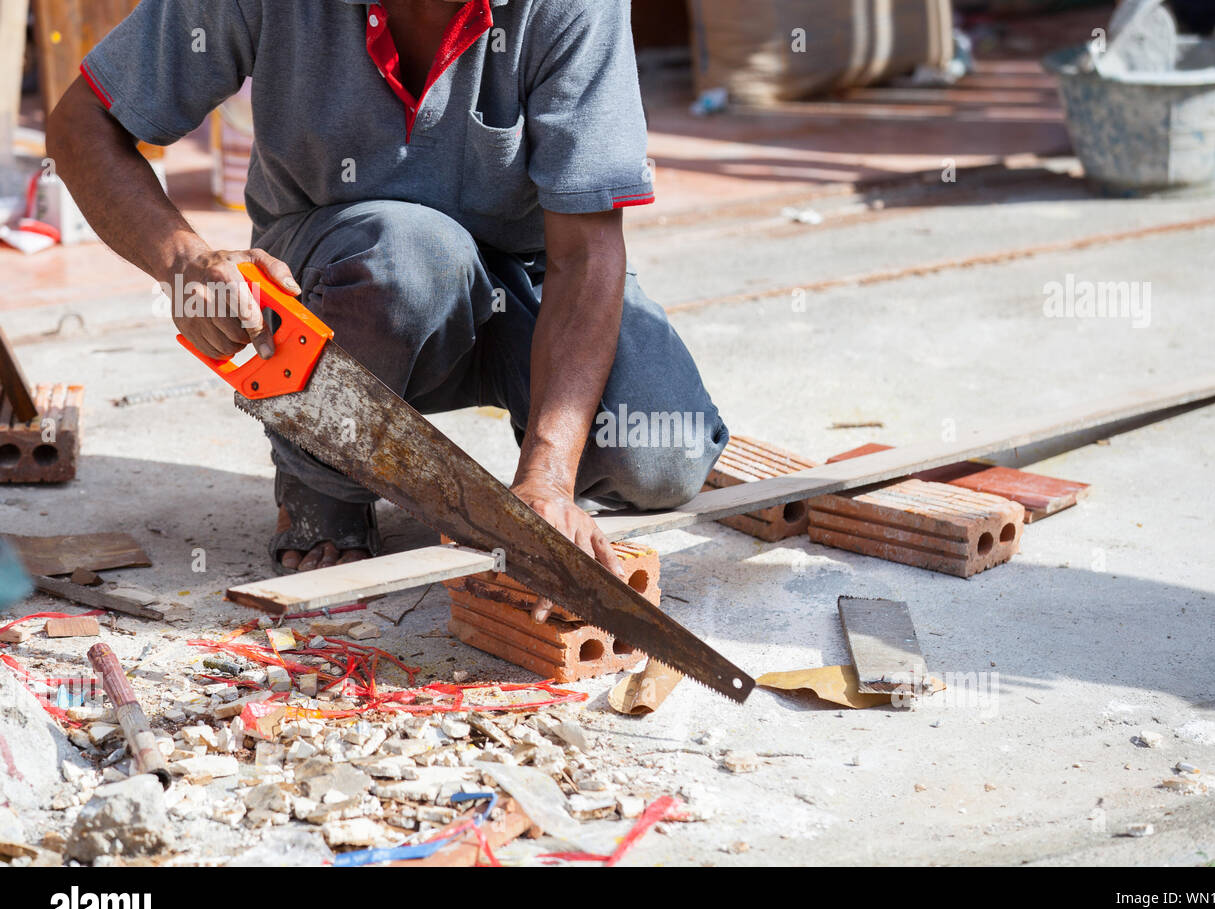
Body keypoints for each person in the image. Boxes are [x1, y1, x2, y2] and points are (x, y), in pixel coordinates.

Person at [47, 0, 728, 586]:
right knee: (411, 258)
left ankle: (391, 433)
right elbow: (82, 126)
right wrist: (184, 264)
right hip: (351, 281)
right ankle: (321, 477)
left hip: (531, 280)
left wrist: (546, 479)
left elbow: (585, 254)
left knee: (662, 452)